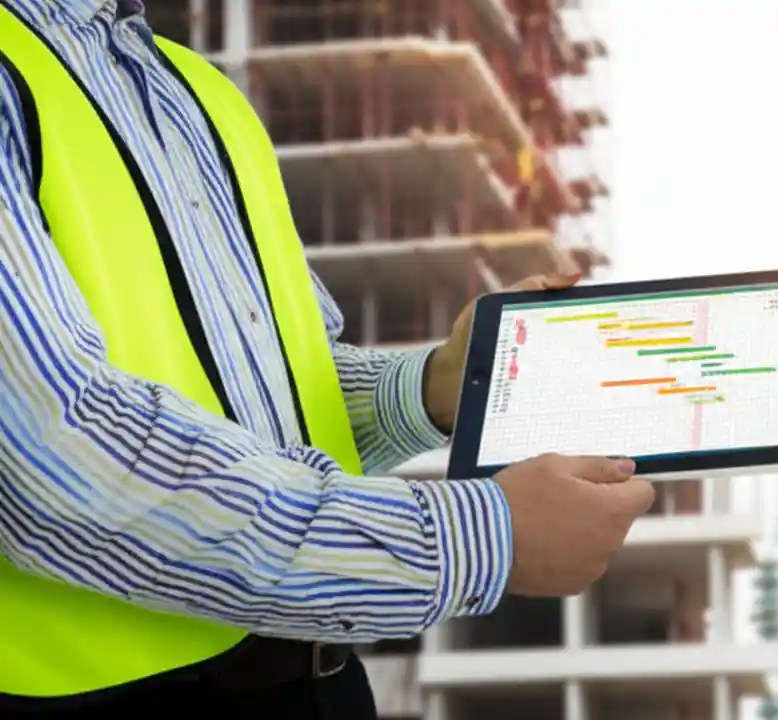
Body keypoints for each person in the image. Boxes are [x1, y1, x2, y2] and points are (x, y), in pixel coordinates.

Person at [0, 1, 655, 717]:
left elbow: (275, 391)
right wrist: (477, 538)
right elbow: (44, 457)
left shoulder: (200, 93)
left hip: (320, 684)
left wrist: (440, 384)